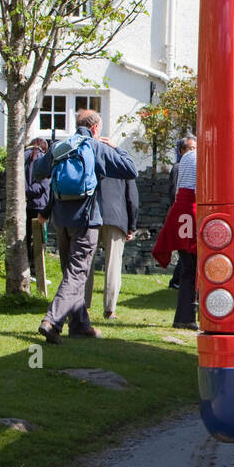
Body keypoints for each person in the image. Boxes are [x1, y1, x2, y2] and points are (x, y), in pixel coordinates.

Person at [33, 109, 138, 342]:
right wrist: (114, 147)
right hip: (87, 219)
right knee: (77, 273)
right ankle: (52, 321)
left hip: (61, 220)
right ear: (95, 128)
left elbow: (37, 171)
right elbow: (131, 169)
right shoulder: (96, 146)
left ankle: (80, 325)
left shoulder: (60, 147)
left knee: (71, 272)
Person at [154, 135, 197, 329]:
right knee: (197, 270)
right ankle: (191, 315)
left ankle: (184, 316)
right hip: (195, 209)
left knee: (188, 269)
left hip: (180, 211)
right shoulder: (199, 156)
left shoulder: (185, 159)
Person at [86, 168, 140, 319]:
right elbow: (132, 198)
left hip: (91, 216)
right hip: (116, 217)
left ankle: (83, 307)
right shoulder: (120, 162)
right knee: (113, 265)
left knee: (86, 263)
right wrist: (132, 225)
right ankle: (110, 310)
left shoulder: (91, 155)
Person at [166, 136, 193, 291]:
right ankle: (177, 280)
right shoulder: (178, 167)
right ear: (182, 151)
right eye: (190, 148)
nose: (193, 152)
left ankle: (177, 279)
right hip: (182, 213)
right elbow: (174, 190)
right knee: (185, 250)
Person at [25, 137, 50, 296]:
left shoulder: (20, 156)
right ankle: (36, 272)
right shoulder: (42, 158)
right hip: (40, 204)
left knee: (27, 238)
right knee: (40, 239)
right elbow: (45, 184)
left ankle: (26, 269)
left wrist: (25, 193)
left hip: (24, 203)